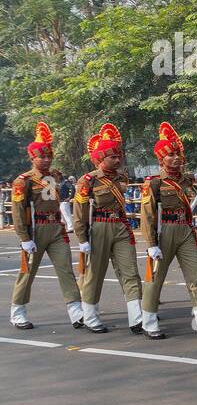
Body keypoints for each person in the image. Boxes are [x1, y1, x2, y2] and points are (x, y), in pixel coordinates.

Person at [10, 122, 83, 330]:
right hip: (36, 230)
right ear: (32, 158)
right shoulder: (22, 181)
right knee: (28, 272)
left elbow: (55, 201)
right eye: (41, 156)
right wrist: (24, 238)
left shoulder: (54, 176)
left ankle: (76, 312)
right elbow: (17, 212)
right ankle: (18, 311)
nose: (46, 159)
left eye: (49, 156)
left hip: (56, 229)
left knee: (66, 270)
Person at [73, 123, 144, 333]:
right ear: (100, 159)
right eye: (112, 157)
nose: (117, 159)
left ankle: (136, 318)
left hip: (120, 226)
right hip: (99, 227)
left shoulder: (122, 178)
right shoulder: (88, 181)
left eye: (118, 156)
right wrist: (83, 239)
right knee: (95, 274)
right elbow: (80, 211)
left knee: (130, 271)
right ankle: (90, 316)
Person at [138, 122, 197, 339]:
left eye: (178, 154)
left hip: (185, 230)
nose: (176, 158)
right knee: (155, 278)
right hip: (163, 230)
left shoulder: (186, 180)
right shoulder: (154, 183)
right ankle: (148, 321)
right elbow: (147, 215)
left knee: (196, 276)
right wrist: (151, 245)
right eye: (170, 155)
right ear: (161, 159)